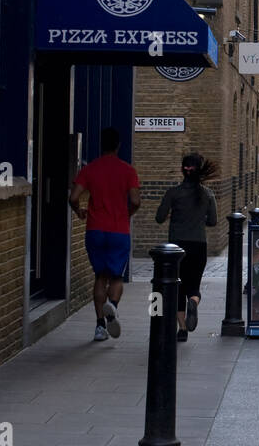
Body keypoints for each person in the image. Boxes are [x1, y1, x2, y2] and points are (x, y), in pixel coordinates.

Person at [69, 127, 141, 342]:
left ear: (101, 145)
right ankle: (113, 306)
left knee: (100, 276)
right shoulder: (128, 171)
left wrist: (79, 211)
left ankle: (100, 326)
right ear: (118, 145)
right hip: (119, 231)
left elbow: (73, 197)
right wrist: (127, 214)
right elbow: (135, 201)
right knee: (117, 277)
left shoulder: (90, 169)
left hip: (95, 230)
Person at [155, 153, 219, 342]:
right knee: (194, 285)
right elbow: (213, 221)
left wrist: (173, 215)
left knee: (178, 288)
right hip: (198, 245)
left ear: (183, 170)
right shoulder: (208, 194)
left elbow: (159, 217)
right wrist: (198, 219)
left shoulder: (173, 193)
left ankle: (182, 329)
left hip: (176, 248)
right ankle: (194, 301)